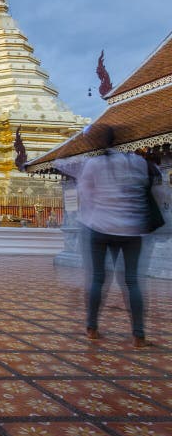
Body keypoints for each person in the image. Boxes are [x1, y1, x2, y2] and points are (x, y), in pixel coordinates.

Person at [73, 124, 160, 348]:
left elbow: (84, 195)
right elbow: (146, 191)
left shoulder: (93, 164)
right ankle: (138, 335)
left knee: (98, 279)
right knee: (132, 281)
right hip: (132, 229)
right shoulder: (139, 163)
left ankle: (92, 327)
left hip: (99, 227)